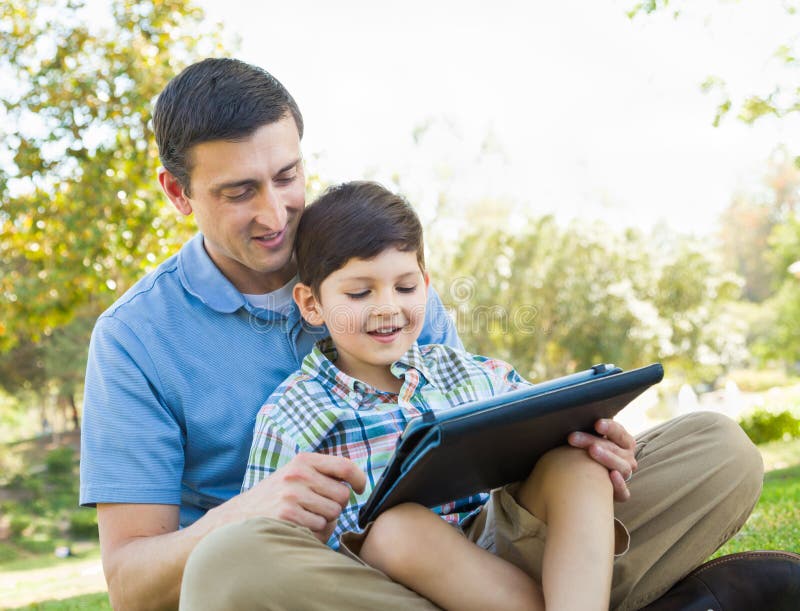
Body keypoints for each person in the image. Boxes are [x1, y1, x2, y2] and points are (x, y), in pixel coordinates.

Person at [78, 57, 776, 611]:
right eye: (239, 192)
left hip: (475, 550)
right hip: (330, 582)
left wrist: (576, 431)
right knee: (230, 564)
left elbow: (479, 416)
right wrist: (249, 510)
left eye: (287, 175)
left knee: (717, 449)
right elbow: (132, 586)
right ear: (178, 194)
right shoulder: (133, 339)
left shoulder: (371, 260)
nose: (277, 212)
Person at [242, 180, 621, 610]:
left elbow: (552, 424)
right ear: (312, 304)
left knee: (576, 460)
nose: (388, 307)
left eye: (405, 288)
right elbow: (260, 546)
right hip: (383, 590)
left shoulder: (468, 374)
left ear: (425, 285)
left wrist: (598, 437)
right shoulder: (292, 413)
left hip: (497, 549)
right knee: (397, 529)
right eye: (360, 292)